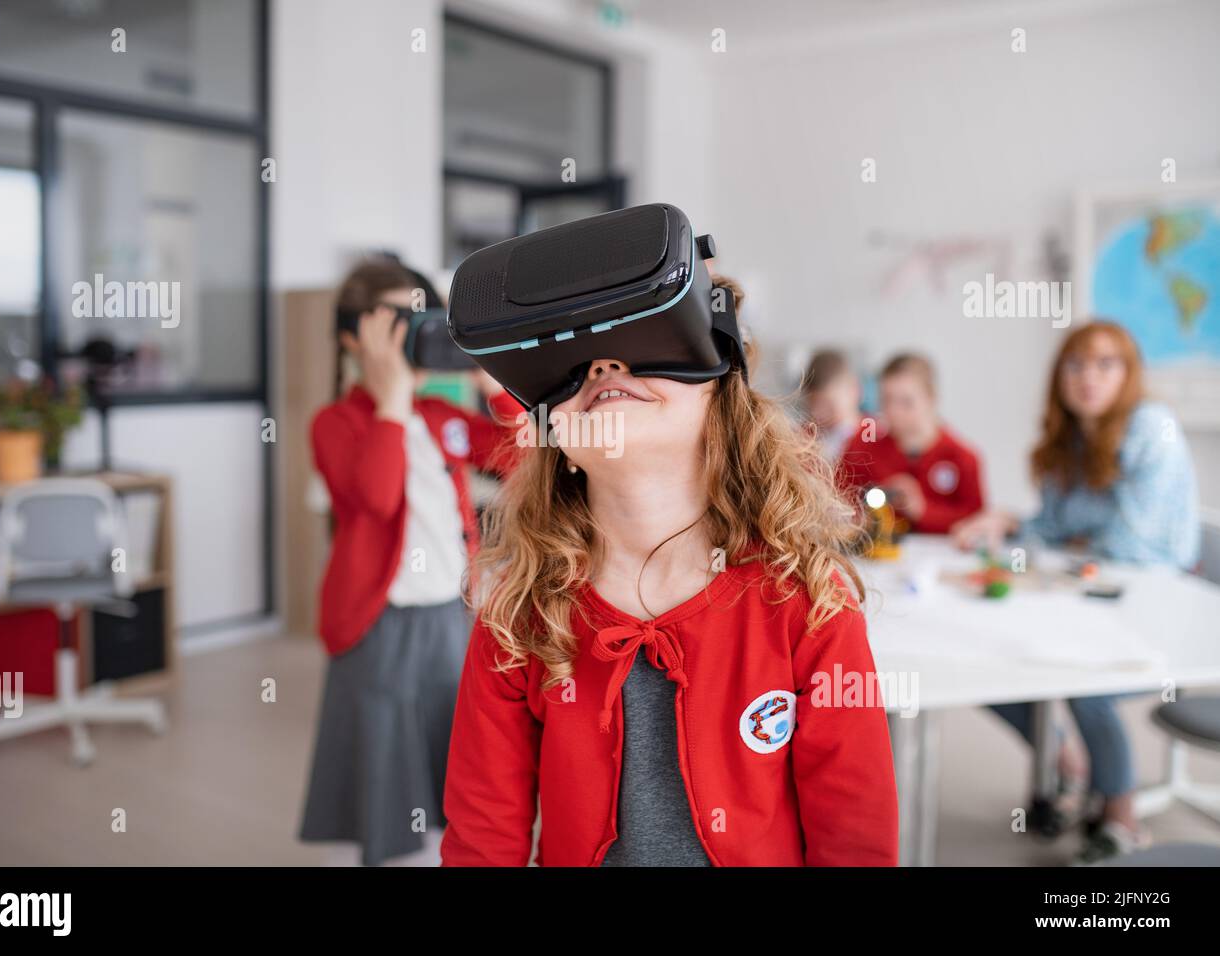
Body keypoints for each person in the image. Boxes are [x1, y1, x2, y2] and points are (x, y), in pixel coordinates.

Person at [439, 276, 899, 867]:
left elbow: (855, 836)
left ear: (718, 397)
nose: (602, 365)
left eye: (639, 344)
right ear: (556, 432)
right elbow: (483, 838)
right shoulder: (516, 615)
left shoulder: (808, 601)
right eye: (572, 364)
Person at [298, 258, 521, 866]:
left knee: (454, 762)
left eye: (422, 317)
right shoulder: (335, 423)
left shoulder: (441, 418)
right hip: (379, 623)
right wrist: (391, 396)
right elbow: (374, 496)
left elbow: (523, 455)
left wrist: (489, 379)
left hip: (451, 615)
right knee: (386, 778)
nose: (415, 332)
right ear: (353, 337)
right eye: (398, 319)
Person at [952, 320, 1200, 863]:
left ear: (1128, 374)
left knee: (1086, 675)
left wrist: (1070, 538)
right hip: (1096, 592)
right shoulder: (1068, 441)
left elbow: (1131, 543)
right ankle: (1064, 757)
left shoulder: (1150, 427)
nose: (1089, 376)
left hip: (1162, 600)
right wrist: (1007, 522)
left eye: (1106, 363)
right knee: (985, 653)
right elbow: (1052, 529)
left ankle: (1120, 816)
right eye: (1076, 364)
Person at [838, 352, 984, 534]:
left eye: (906, 402)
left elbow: (977, 520)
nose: (893, 411)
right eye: (886, 400)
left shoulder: (963, 458)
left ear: (931, 398)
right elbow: (839, 505)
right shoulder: (860, 448)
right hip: (875, 558)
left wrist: (923, 511)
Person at [800, 348, 864, 461]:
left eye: (827, 405)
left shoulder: (878, 436)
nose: (817, 413)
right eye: (812, 404)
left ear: (853, 390)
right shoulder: (800, 439)